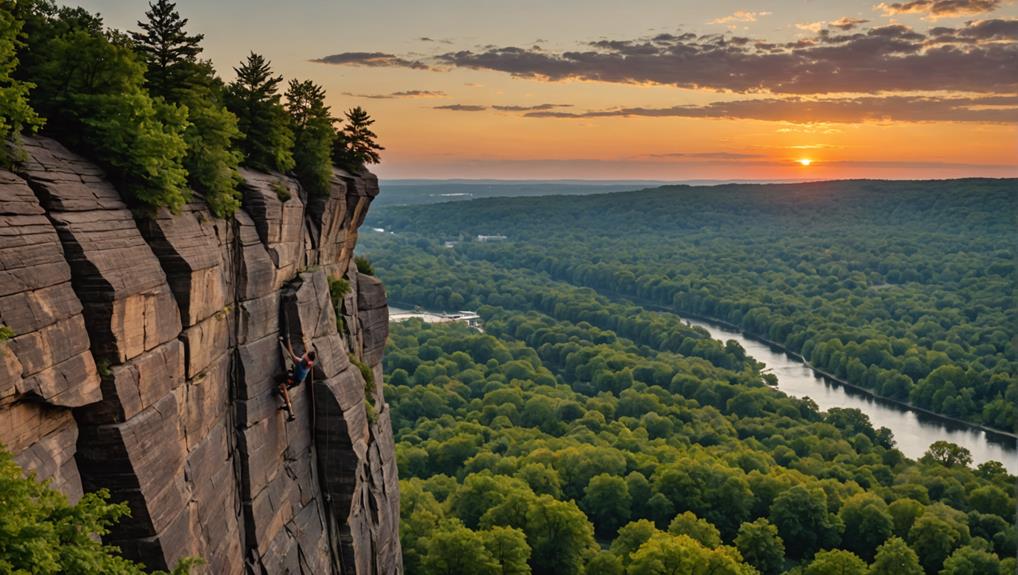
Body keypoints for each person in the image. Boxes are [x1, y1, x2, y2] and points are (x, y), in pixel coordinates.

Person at [277, 336, 317, 422]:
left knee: (283, 385)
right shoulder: (308, 364)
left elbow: (291, 354)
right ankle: (287, 403)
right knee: (280, 388)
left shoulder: (302, 363)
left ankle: (289, 408)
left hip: (295, 379)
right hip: (297, 379)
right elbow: (303, 359)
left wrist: (285, 340)